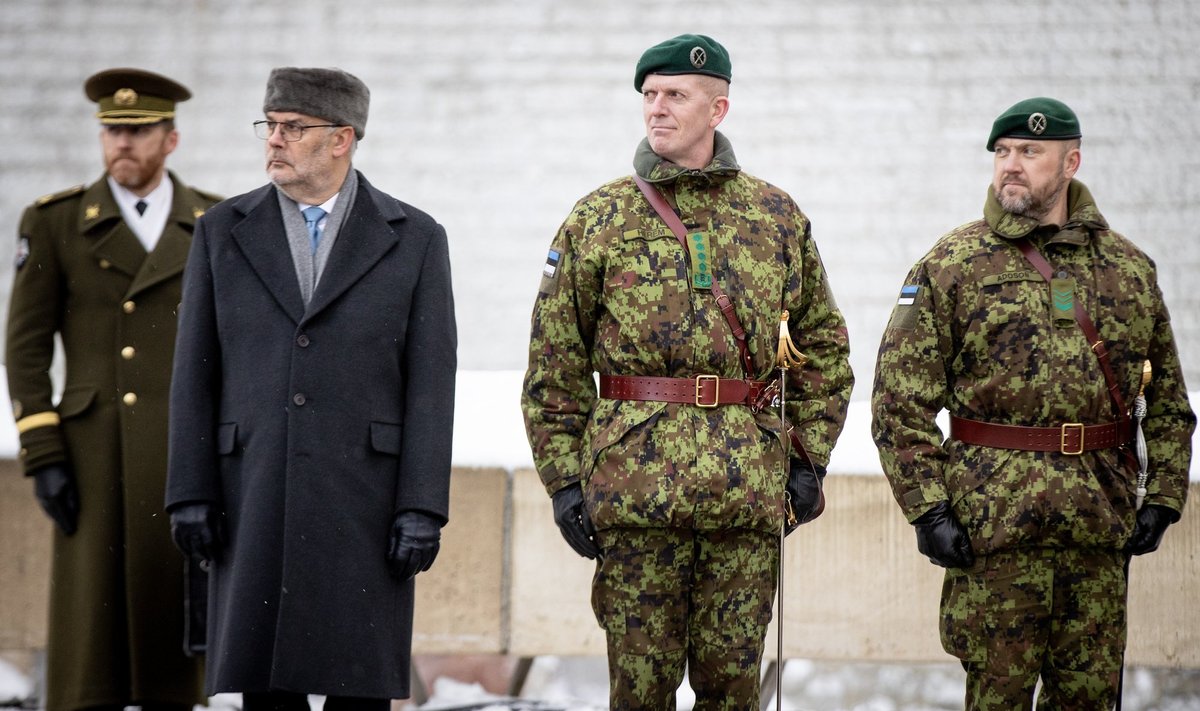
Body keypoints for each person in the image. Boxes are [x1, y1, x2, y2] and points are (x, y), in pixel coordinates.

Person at [520, 35, 853, 709]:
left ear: (718, 109)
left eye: (676, 95)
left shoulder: (775, 216)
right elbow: (552, 364)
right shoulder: (600, 217)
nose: (657, 109)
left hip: (744, 496)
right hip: (634, 493)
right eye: (649, 96)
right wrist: (563, 482)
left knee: (732, 690)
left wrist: (805, 462)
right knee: (639, 691)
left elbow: (825, 351)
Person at [871, 97, 1194, 709]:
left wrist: (1167, 496)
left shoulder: (1128, 270)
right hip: (994, 530)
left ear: (1071, 161)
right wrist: (928, 510)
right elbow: (897, 403)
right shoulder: (951, 266)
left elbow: (1170, 403)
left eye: (1029, 153)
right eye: (1002, 153)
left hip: (1097, 530)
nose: (1010, 166)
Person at [164, 67, 456, 709]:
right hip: (251, 495)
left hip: (365, 502)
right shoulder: (221, 231)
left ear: (342, 139)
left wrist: (422, 507)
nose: (274, 140)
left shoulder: (415, 239)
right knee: (267, 687)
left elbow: (431, 388)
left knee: (359, 686)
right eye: (269, 126)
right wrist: (189, 491)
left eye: (293, 128)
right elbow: (194, 373)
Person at [4, 67, 218, 711]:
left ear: (170, 141)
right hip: (91, 454)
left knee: (172, 644)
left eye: (138, 132)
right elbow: (26, 345)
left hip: (179, 455)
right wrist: (42, 452)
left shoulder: (213, 222)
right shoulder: (56, 221)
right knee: (88, 639)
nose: (122, 144)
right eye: (112, 132)